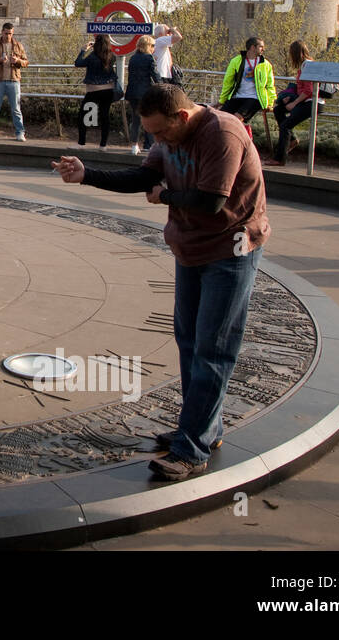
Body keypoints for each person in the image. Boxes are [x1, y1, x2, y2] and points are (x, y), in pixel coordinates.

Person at [51, 83, 270, 481]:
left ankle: (191, 450)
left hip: (231, 250)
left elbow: (210, 200)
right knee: (189, 341)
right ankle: (203, 428)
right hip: (191, 249)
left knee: (213, 349)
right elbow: (144, 176)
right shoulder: (167, 135)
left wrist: (166, 197)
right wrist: (87, 175)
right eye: (151, 133)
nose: (157, 140)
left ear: (181, 117)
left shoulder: (223, 133)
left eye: (161, 133)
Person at [265, 41, 313, 167]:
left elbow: (309, 90)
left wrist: (294, 103)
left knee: (286, 126)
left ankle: (280, 158)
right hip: (305, 100)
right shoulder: (304, 66)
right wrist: (288, 98)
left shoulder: (307, 66)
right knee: (278, 110)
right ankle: (292, 139)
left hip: (311, 103)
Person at [218, 36, 275, 126]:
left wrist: (270, 103)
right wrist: (222, 100)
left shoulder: (265, 64)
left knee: (236, 119)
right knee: (220, 118)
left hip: (255, 98)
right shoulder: (236, 61)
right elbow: (228, 82)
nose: (263, 49)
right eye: (261, 47)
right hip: (237, 96)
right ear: (253, 47)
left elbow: (270, 85)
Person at [74, 35, 119, 148]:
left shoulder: (93, 56)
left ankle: (82, 143)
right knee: (104, 116)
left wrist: (83, 50)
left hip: (93, 91)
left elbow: (78, 63)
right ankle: (103, 145)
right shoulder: (111, 56)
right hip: (108, 90)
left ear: (96, 44)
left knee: (84, 116)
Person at [124, 34, 158, 154]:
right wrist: (163, 86)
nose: (154, 48)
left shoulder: (133, 58)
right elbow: (155, 75)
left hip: (132, 92)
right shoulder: (149, 58)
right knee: (148, 118)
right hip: (145, 93)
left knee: (136, 119)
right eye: (153, 45)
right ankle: (149, 145)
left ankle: (134, 145)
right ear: (148, 46)